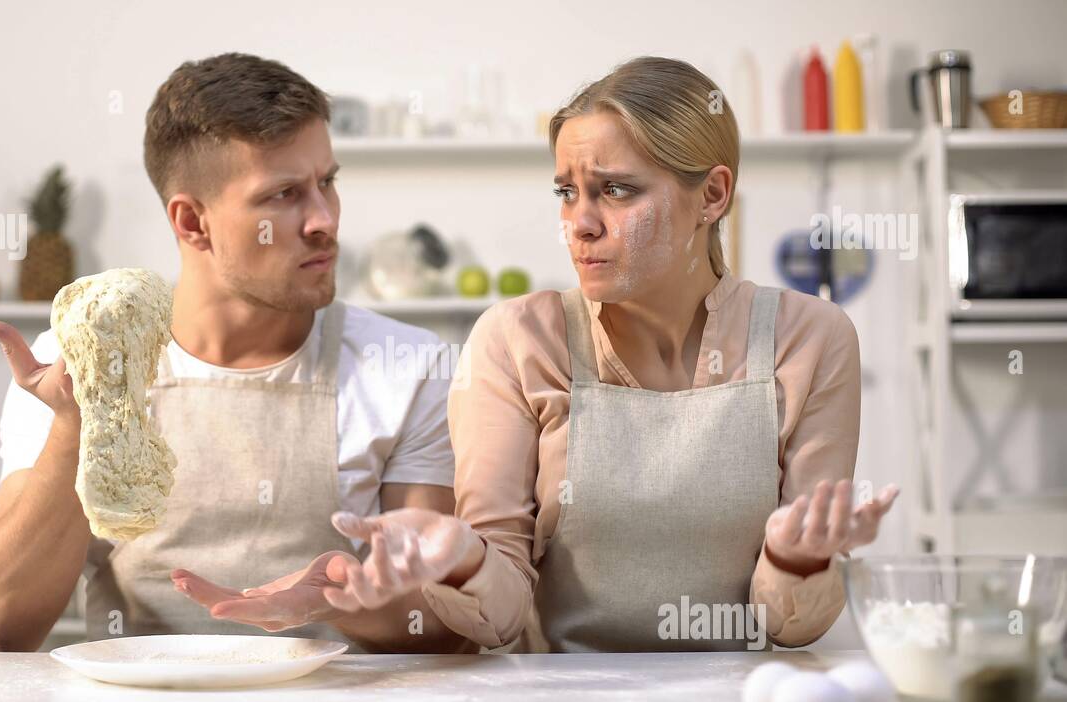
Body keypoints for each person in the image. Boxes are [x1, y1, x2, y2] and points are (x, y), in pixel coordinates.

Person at [192, 56, 898, 653]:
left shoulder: (811, 340)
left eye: (615, 190)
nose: (579, 224)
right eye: (567, 192)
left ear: (711, 195)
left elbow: (793, 623)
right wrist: (461, 556)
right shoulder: (517, 341)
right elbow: (496, 619)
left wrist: (795, 555)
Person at [0, 53, 472, 653]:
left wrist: (330, 603)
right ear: (192, 222)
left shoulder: (407, 365)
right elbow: (2, 626)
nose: (324, 220)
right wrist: (78, 425)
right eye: (283, 194)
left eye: (327, 182)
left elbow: (439, 626)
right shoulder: (78, 361)